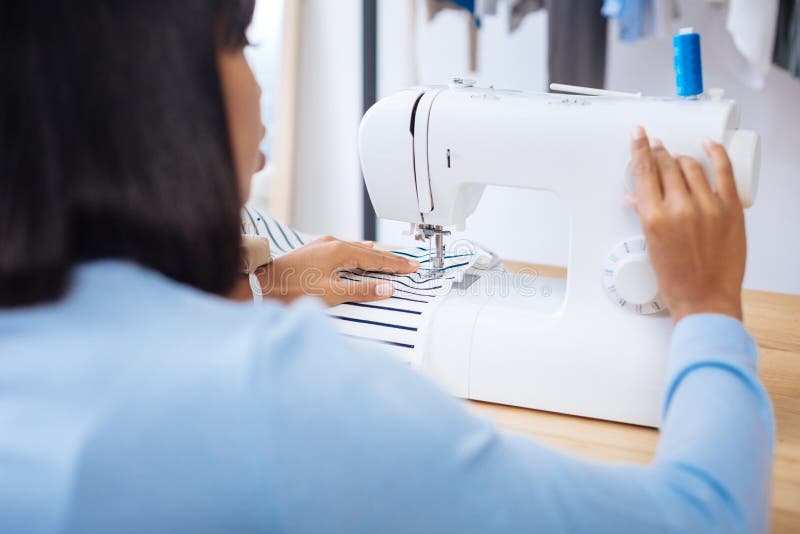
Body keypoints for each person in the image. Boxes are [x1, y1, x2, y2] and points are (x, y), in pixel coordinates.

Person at [0, 1, 773, 532]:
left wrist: (267, 285)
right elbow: (704, 516)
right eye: (234, 41)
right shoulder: (275, 397)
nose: (257, 80)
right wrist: (708, 305)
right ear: (152, 93)